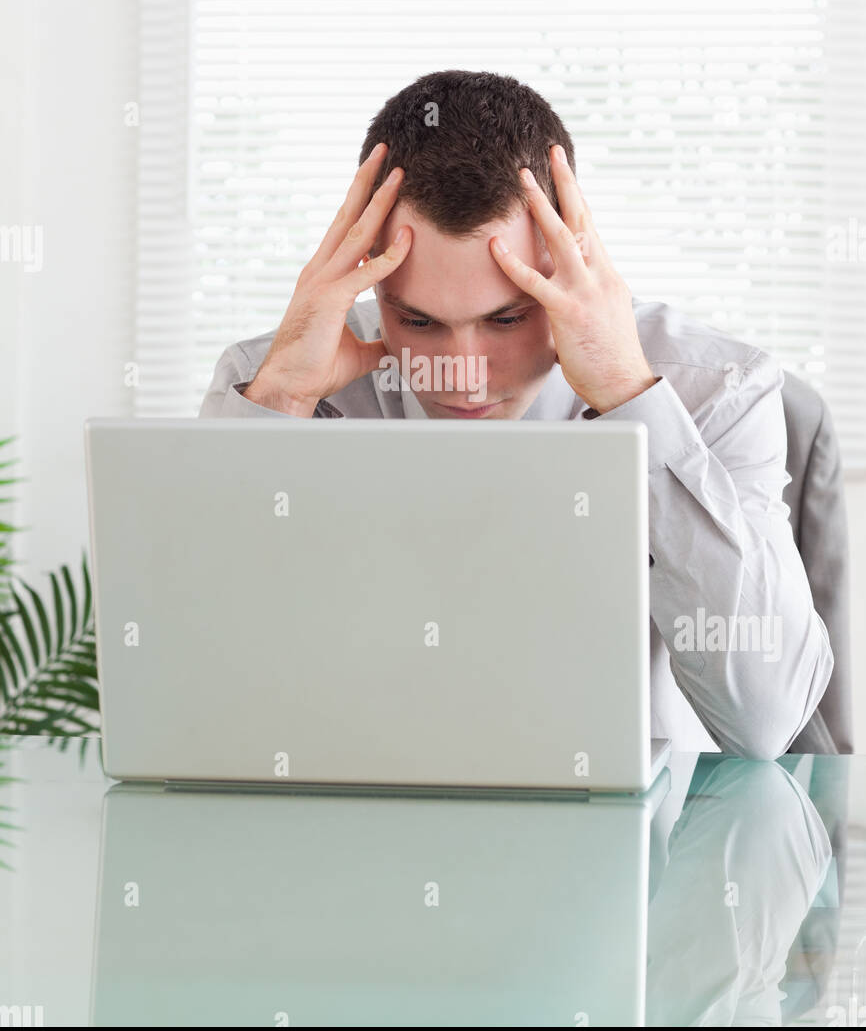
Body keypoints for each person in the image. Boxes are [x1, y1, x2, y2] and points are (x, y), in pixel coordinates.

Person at [200, 69, 833, 757]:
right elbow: (192, 686)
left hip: (634, 818)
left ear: (570, 260)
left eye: (506, 318)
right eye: (418, 320)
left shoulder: (717, 392)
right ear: (369, 275)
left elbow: (765, 721)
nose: (464, 373)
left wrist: (630, 398)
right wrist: (281, 405)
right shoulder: (272, 384)